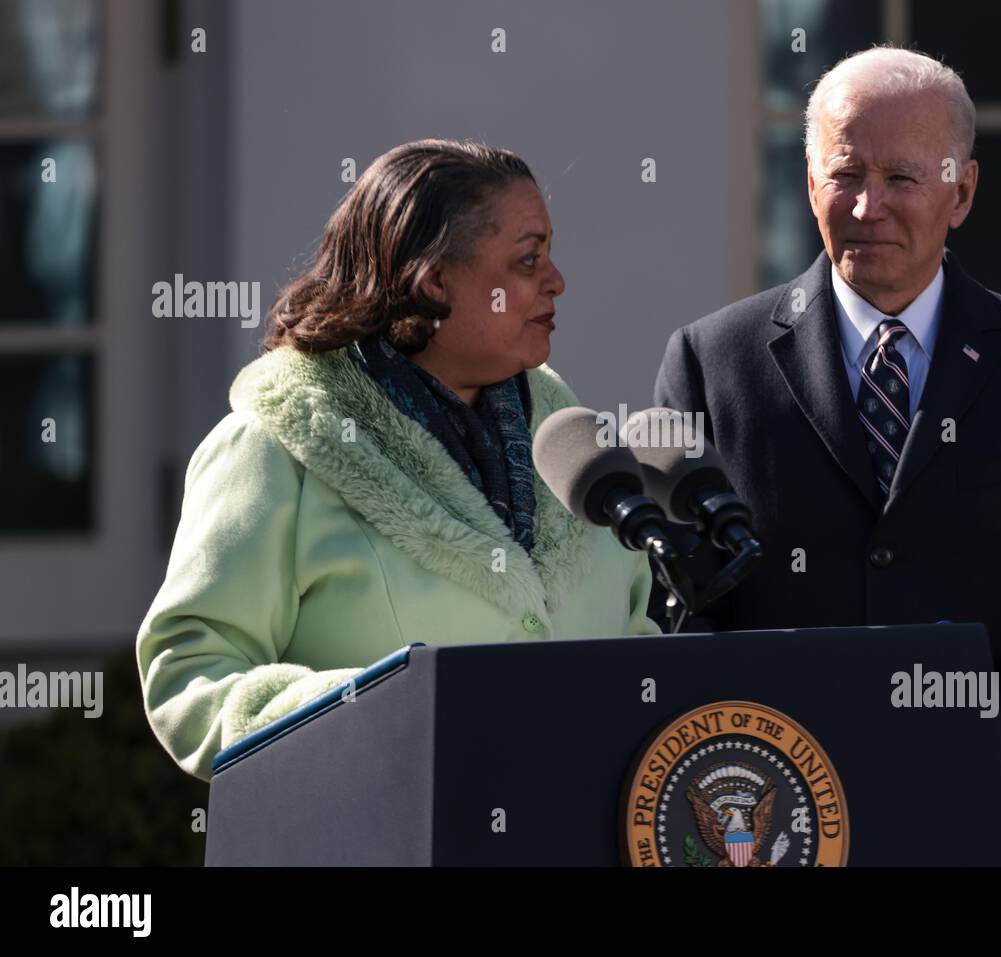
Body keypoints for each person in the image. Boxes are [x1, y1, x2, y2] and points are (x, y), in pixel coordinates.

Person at [653, 47, 1001, 865]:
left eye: (903, 178)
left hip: (987, 822)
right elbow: (676, 614)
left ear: (964, 191)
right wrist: (787, 775)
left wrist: (940, 767)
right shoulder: (710, 361)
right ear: (809, 185)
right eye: (844, 174)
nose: (869, 206)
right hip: (775, 831)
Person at [138, 139, 660, 782]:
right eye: (529, 259)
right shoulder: (275, 448)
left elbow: (635, 648)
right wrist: (376, 715)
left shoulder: (572, 449)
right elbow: (190, 675)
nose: (557, 281)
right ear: (435, 279)